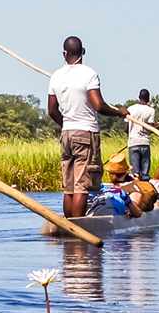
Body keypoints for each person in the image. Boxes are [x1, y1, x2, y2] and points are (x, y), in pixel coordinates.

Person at [47, 36, 128, 218]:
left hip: (66, 133)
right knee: (81, 186)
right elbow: (98, 105)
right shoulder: (89, 74)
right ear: (83, 52)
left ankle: (68, 226)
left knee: (69, 187)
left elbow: (52, 110)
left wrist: (66, 124)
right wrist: (118, 112)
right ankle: (78, 228)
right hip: (85, 132)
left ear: (64, 54)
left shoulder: (56, 76)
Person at [126, 89, 156, 180]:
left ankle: (137, 192)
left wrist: (131, 133)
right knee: (145, 174)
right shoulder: (151, 110)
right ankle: (145, 190)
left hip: (133, 143)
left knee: (135, 174)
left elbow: (126, 128)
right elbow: (150, 129)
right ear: (148, 99)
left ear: (139, 97)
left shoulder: (130, 109)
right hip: (145, 143)